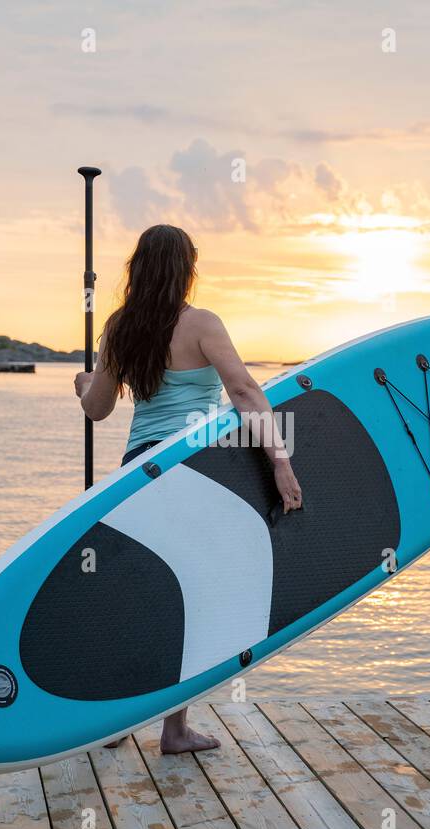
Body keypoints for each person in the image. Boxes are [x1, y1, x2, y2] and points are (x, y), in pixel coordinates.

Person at [73, 223, 303, 754]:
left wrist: (84, 383)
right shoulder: (201, 323)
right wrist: (280, 462)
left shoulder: (118, 328)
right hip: (194, 468)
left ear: (138, 268)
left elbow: (99, 408)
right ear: (186, 269)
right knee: (190, 595)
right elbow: (244, 391)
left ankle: (115, 719)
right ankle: (173, 730)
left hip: (139, 472)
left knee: (141, 593)